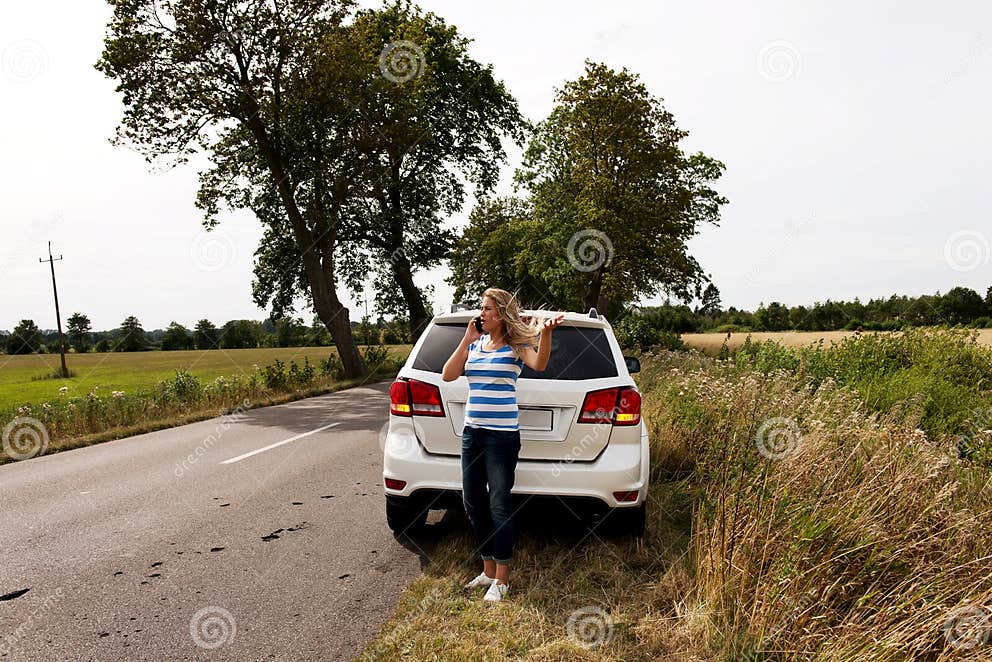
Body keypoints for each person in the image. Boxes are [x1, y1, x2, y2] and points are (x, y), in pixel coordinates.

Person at [441, 288, 564, 603]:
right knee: (472, 502)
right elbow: (448, 374)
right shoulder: (477, 344)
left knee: (499, 503)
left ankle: (503, 580)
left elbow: (539, 363)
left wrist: (545, 334)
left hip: (502, 436)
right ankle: (488, 570)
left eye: (488, 309)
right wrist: (466, 339)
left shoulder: (514, 346)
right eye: (481, 308)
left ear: (502, 314)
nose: (482, 313)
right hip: (473, 434)